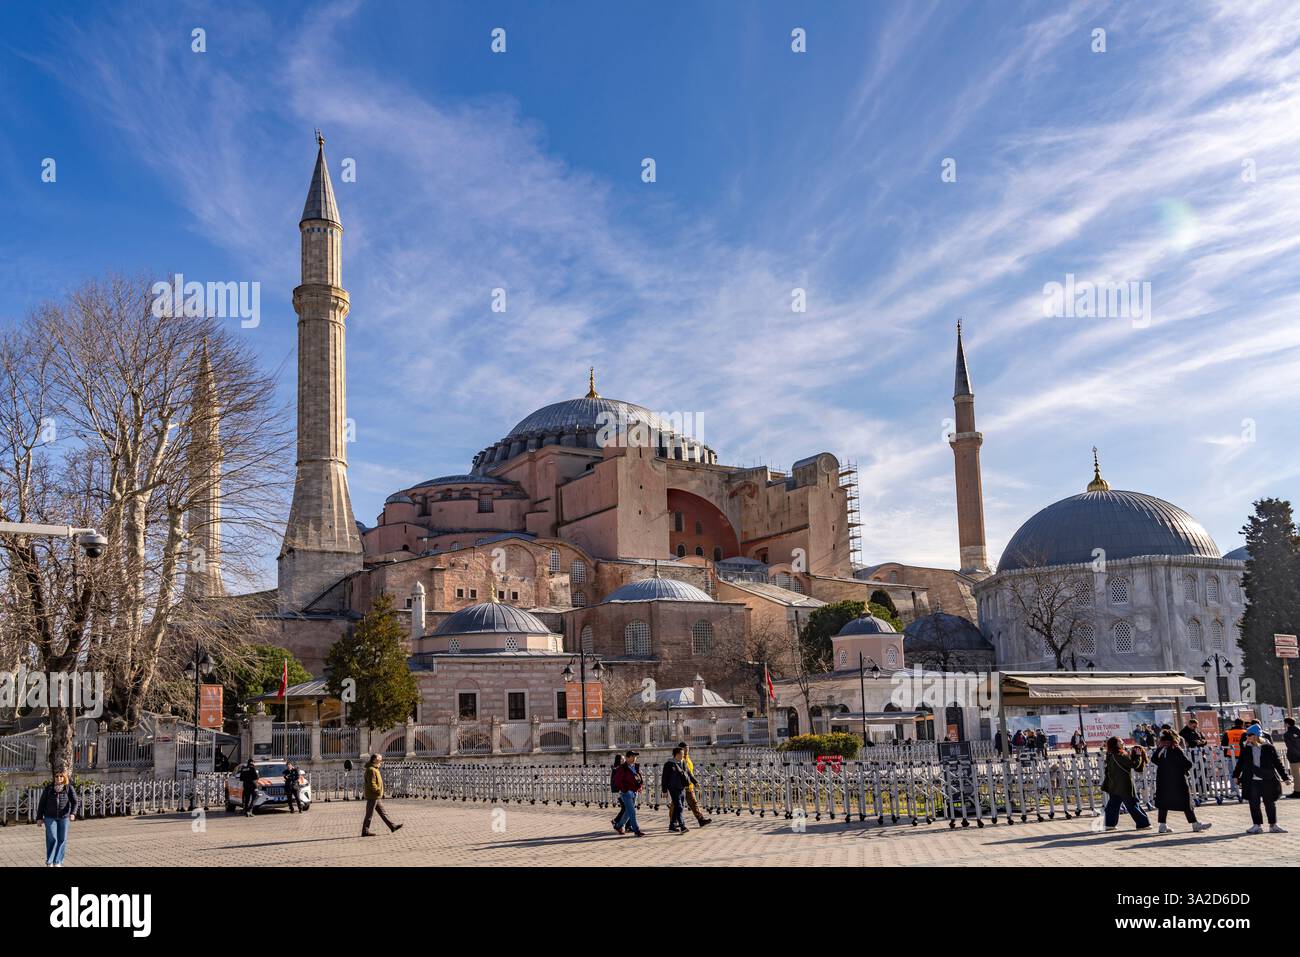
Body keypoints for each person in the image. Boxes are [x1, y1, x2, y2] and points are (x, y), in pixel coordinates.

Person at [1232, 724, 1291, 834]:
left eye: (1249, 735)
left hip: (1267, 779)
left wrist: (1285, 777)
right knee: (1253, 803)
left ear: (1256, 736)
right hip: (1251, 780)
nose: (1247, 737)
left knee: (1269, 803)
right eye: (1246, 735)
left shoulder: (1268, 747)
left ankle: (1273, 825)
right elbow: (1240, 763)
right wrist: (1236, 775)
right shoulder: (1246, 748)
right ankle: (1257, 825)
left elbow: (1277, 763)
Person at [1152, 731, 1211, 834]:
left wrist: (1164, 766)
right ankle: (1195, 824)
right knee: (1186, 802)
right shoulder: (1176, 749)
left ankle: (1162, 825)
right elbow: (1188, 764)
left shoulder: (1161, 750)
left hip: (1163, 780)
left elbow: (1153, 760)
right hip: (1177, 780)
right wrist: (1179, 770)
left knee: (1163, 802)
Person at [1102, 736, 1151, 831]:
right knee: (1132, 804)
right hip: (1124, 785)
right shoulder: (1119, 755)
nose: (1123, 743)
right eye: (1120, 741)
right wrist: (1138, 755)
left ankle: (1109, 824)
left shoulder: (1110, 754)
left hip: (1114, 785)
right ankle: (1143, 824)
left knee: (1113, 805)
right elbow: (1133, 764)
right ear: (1116, 744)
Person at [35, 768, 79, 866]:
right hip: (49, 817)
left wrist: (73, 813)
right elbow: (42, 804)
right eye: (56, 776)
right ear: (54, 777)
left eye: (61, 776)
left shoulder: (68, 788)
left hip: (64, 817)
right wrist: (39, 818)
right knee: (52, 838)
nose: (58, 778)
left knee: (62, 839)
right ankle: (49, 861)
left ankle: (58, 861)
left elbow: (75, 801)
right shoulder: (49, 788)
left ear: (64, 777)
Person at [361, 753, 403, 837]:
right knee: (369, 814)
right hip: (373, 796)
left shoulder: (375, 769)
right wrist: (377, 791)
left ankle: (392, 826)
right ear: (374, 760)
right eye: (379, 759)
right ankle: (365, 831)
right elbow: (372, 783)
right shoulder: (371, 770)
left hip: (376, 796)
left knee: (383, 813)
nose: (381, 761)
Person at [677, 742, 712, 828]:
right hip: (681, 786)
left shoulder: (688, 759)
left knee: (694, 803)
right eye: (685, 748)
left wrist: (695, 782)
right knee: (676, 805)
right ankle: (673, 822)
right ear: (681, 749)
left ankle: (701, 820)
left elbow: (690, 773)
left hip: (689, 785)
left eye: (688, 748)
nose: (687, 750)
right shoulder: (679, 760)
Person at [612, 749, 644, 836]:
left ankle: (618, 825)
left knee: (628, 812)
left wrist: (640, 786)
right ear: (627, 758)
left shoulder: (636, 766)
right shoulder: (622, 768)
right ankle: (636, 830)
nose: (634, 758)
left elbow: (639, 778)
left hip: (634, 792)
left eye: (635, 757)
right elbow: (617, 781)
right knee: (632, 811)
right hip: (626, 793)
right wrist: (625, 789)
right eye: (632, 757)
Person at [662, 747, 693, 833]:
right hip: (673, 788)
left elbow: (688, 773)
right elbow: (664, 778)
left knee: (679, 807)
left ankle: (672, 826)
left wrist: (694, 781)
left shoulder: (683, 762)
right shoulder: (668, 764)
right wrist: (664, 790)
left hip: (681, 787)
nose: (683, 756)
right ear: (677, 754)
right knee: (679, 806)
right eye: (681, 754)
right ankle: (682, 826)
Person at [1283, 717, 1300, 798]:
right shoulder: (1299, 731)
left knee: (1296, 775)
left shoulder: (1287, 734)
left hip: (1294, 758)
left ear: (1287, 724)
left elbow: (1290, 747)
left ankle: (1297, 791)